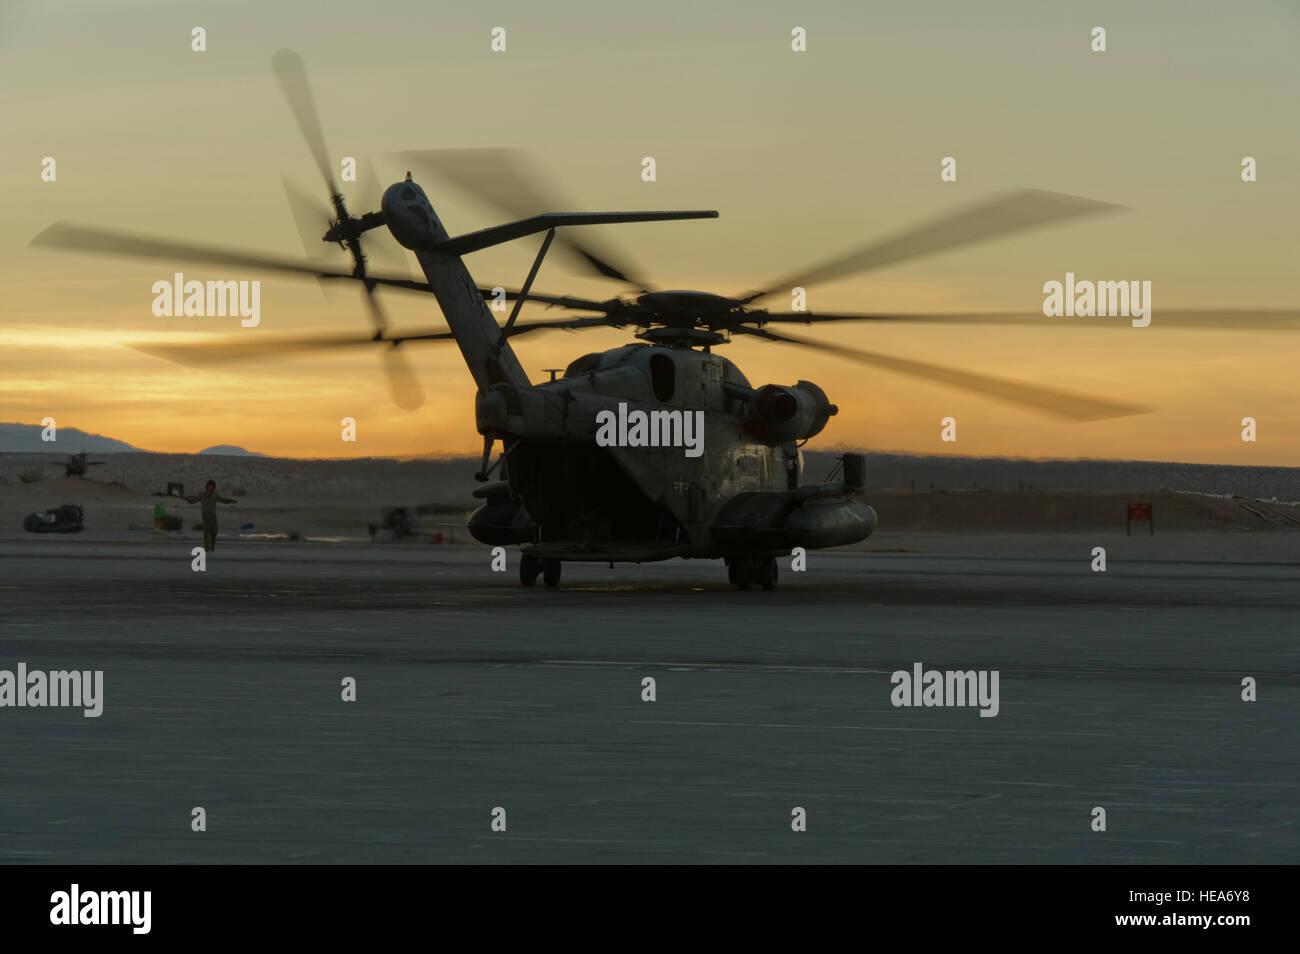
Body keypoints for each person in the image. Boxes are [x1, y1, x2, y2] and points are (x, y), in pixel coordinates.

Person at [185, 480, 236, 552]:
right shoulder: (202, 495)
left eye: (212, 486)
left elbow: (222, 500)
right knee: (206, 533)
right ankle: (207, 547)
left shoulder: (215, 495)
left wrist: (230, 500)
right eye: (209, 486)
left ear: (213, 487)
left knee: (214, 532)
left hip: (213, 517)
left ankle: (212, 545)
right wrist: (188, 499)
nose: (210, 487)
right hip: (205, 517)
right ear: (207, 487)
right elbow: (194, 500)